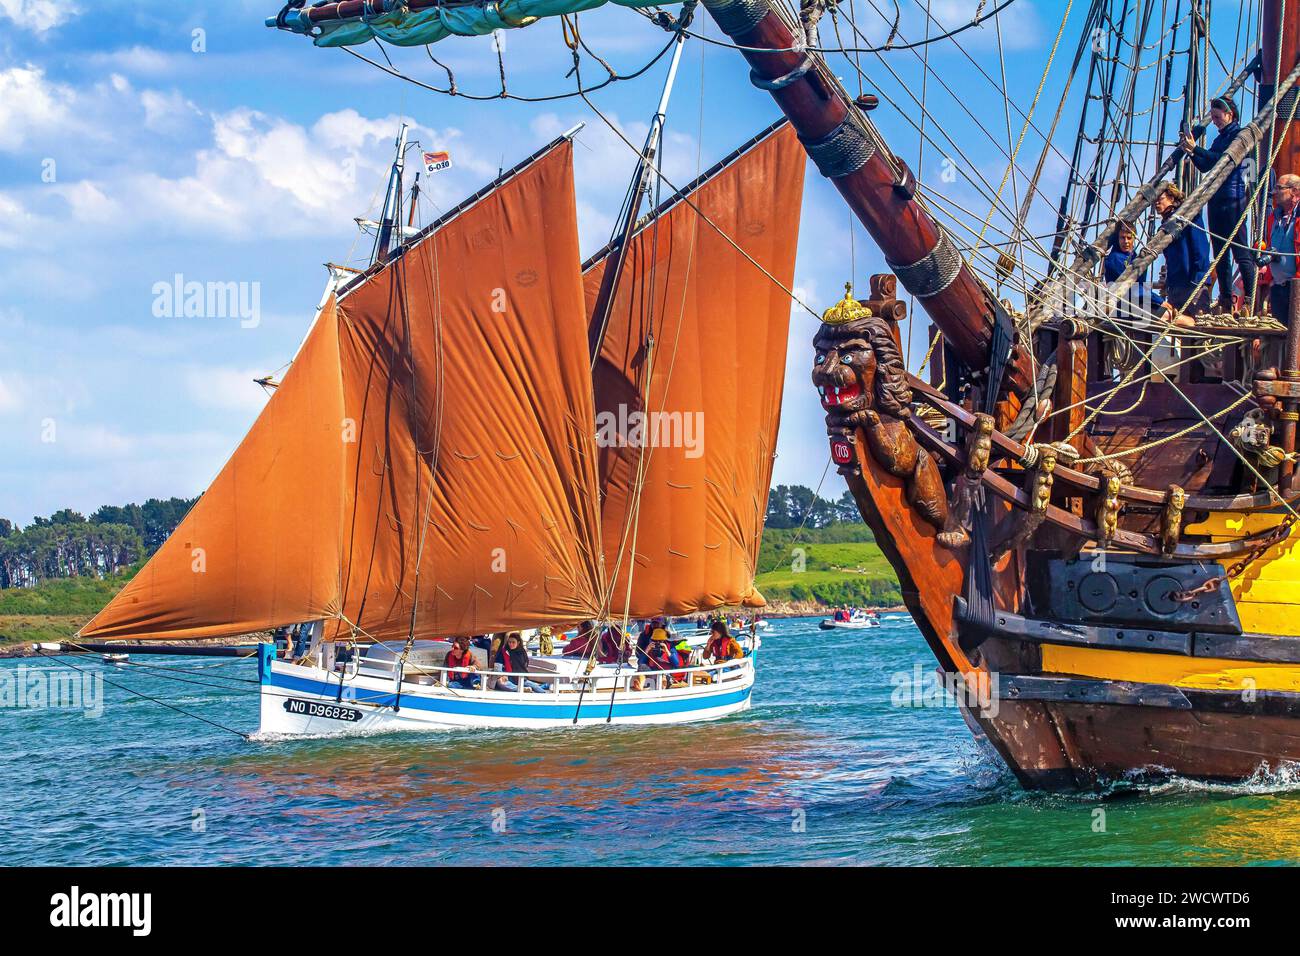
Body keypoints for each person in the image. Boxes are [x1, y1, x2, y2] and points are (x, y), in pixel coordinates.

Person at [1180, 95, 1258, 313]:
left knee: (1241, 252)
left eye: (1216, 116)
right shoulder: (1220, 138)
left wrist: (1196, 149)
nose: (1214, 120)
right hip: (1216, 201)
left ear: (1229, 115)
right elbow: (1207, 166)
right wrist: (1191, 152)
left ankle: (1250, 300)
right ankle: (1225, 300)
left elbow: (1222, 160)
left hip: (1233, 201)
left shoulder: (1239, 136)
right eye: (1212, 117)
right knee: (1221, 255)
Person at [1153, 182, 1212, 318]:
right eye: (1154, 201)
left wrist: (1199, 279)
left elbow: (1201, 249)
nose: (1156, 204)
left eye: (1159, 199)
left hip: (1192, 283)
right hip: (1176, 286)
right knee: (1178, 328)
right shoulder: (1163, 228)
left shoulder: (1189, 217)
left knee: (1198, 324)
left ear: (1171, 198)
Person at [1104, 220, 1164, 320]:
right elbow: (1132, 288)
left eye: (1129, 238)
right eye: (1122, 238)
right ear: (1117, 239)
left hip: (1136, 302)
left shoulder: (1133, 256)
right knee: (1177, 319)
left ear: (1134, 238)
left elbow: (1138, 284)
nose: (1126, 242)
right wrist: (1159, 300)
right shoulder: (1115, 259)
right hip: (1125, 307)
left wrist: (1158, 286)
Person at [1262, 173, 1300, 321]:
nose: (1274, 192)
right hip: (1278, 287)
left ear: (1294, 191)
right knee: (1282, 334)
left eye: (1279, 188)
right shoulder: (1274, 218)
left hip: (1296, 287)